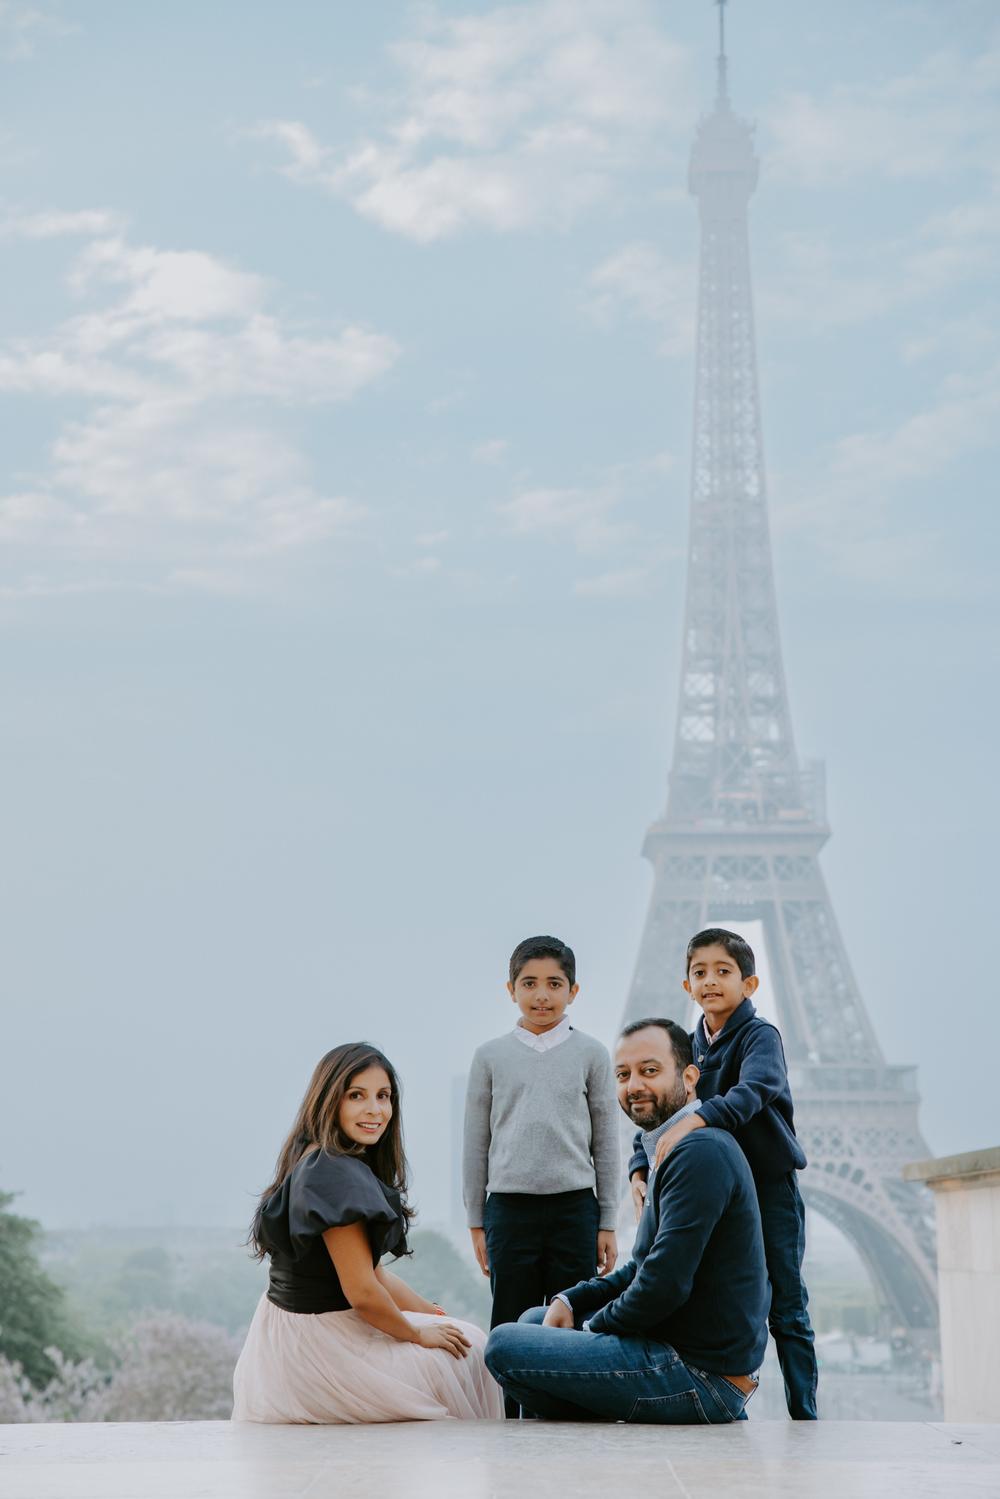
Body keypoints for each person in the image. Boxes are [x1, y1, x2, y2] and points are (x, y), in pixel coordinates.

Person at [484, 1018, 769, 1423]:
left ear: (689, 1078)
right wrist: (572, 1300)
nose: (634, 1085)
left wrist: (591, 1330)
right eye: (623, 1074)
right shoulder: (673, 1150)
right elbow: (642, 1267)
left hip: (701, 1376)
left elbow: (661, 1285)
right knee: (537, 1319)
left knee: (504, 1345)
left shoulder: (700, 1153)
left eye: (649, 1071)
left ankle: (561, 1447)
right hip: (682, 1353)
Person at [233, 1042, 503, 1423]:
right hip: (320, 1349)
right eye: (356, 1096)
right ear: (329, 1100)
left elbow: (372, 1273)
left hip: (287, 1338)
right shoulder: (333, 1173)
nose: (375, 1110)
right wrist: (416, 1332)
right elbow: (362, 1291)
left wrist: (430, 1313)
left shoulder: (313, 1154)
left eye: (384, 1096)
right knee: (472, 1349)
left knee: (457, 1332)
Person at [627, 928, 818, 1420]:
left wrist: (701, 1116)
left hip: (768, 1188)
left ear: (749, 985)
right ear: (687, 985)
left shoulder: (760, 1037)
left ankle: (805, 1415)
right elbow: (662, 1108)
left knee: (788, 1308)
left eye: (723, 971)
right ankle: (716, 1393)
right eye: (699, 973)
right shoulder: (689, 1046)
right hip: (717, 1193)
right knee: (708, 1298)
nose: (710, 981)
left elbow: (756, 1089)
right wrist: (638, 1167)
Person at [463, 934, 620, 1415]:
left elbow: (606, 1143)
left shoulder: (592, 1054)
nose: (542, 994)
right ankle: (512, 1420)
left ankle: (569, 1416)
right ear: (510, 989)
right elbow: (476, 1144)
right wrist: (476, 1221)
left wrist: (607, 1220)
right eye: (529, 983)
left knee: (572, 1322)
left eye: (554, 983)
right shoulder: (490, 1056)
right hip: (508, 1210)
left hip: (575, 1206)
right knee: (510, 1323)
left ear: (574, 991)